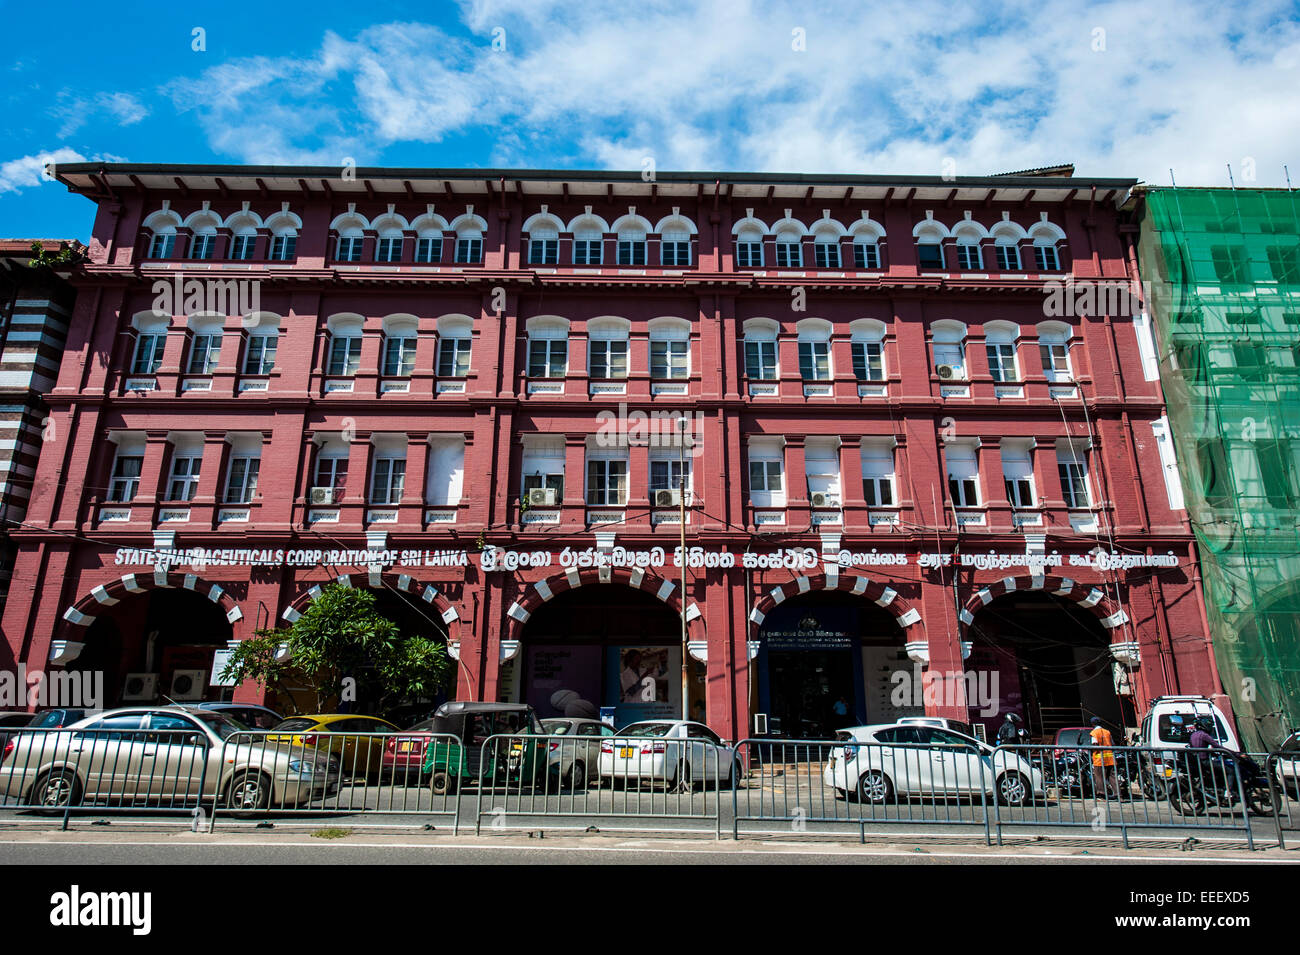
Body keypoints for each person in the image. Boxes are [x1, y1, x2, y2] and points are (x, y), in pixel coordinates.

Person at [1089, 717, 1120, 799]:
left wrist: (1091, 750)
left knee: (1099, 777)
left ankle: (1101, 794)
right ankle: (1118, 794)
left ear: (1092, 724)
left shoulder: (1094, 733)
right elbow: (1112, 744)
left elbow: (1095, 744)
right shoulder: (1107, 732)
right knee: (1112, 777)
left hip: (1099, 759)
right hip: (1110, 758)